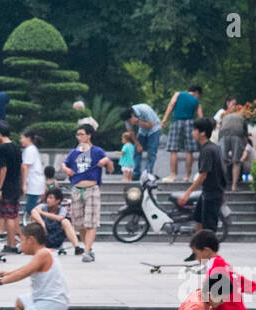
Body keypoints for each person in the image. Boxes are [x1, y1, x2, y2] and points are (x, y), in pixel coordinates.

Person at [61, 123, 113, 261]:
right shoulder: (74, 152)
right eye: (77, 134)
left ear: (89, 135)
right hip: (77, 190)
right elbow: (64, 164)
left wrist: (107, 161)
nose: (79, 137)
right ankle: (88, 249)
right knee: (79, 224)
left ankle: (87, 251)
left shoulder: (98, 151)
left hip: (92, 189)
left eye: (82, 134)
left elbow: (110, 167)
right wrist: (65, 169)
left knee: (91, 222)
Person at [176, 118, 224, 249]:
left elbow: (203, 175)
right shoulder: (210, 147)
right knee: (198, 219)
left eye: (195, 130)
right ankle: (198, 251)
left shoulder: (208, 150)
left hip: (212, 194)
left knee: (208, 231)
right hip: (208, 192)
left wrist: (187, 193)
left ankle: (207, 261)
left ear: (202, 133)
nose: (192, 132)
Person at [0, 121, 23, 253]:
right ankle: (13, 242)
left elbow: (3, 169)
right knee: (14, 215)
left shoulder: (3, 148)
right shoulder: (16, 147)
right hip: (16, 184)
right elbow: (21, 167)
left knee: (7, 216)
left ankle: (11, 245)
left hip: (7, 186)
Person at [161, 84, 204, 182]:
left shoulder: (178, 94)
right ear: (196, 92)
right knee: (189, 151)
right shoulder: (196, 101)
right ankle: (187, 177)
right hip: (190, 123)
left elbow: (171, 105)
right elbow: (200, 116)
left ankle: (172, 175)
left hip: (177, 121)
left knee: (173, 150)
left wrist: (165, 119)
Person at [29, 188, 78, 254]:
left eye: (51, 198)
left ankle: (77, 247)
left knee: (65, 221)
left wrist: (42, 213)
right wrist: (42, 223)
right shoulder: (43, 206)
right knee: (34, 219)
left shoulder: (62, 209)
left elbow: (59, 218)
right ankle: (35, 246)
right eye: (48, 198)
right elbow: (33, 211)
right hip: (44, 236)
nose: (48, 200)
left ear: (58, 201)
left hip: (56, 237)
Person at [121, 101, 161, 180]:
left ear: (132, 115)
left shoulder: (144, 109)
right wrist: (138, 144)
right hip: (142, 131)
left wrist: (138, 122)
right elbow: (131, 132)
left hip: (154, 129)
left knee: (152, 151)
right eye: (127, 121)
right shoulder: (127, 118)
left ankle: (147, 173)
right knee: (136, 150)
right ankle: (136, 173)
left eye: (129, 120)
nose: (129, 122)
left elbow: (151, 125)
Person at [217, 98, 249, 193]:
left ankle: (222, 185)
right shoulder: (242, 118)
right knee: (236, 162)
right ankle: (234, 186)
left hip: (223, 136)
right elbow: (245, 136)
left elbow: (220, 130)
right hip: (237, 136)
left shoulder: (225, 117)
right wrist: (243, 147)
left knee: (223, 161)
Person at [20, 128, 45, 218]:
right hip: (35, 182)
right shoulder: (32, 149)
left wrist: (24, 184)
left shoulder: (30, 150)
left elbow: (25, 167)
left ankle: (40, 227)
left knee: (31, 208)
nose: (21, 140)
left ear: (28, 138)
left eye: (22, 138)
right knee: (33, 207)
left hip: (34, 183)